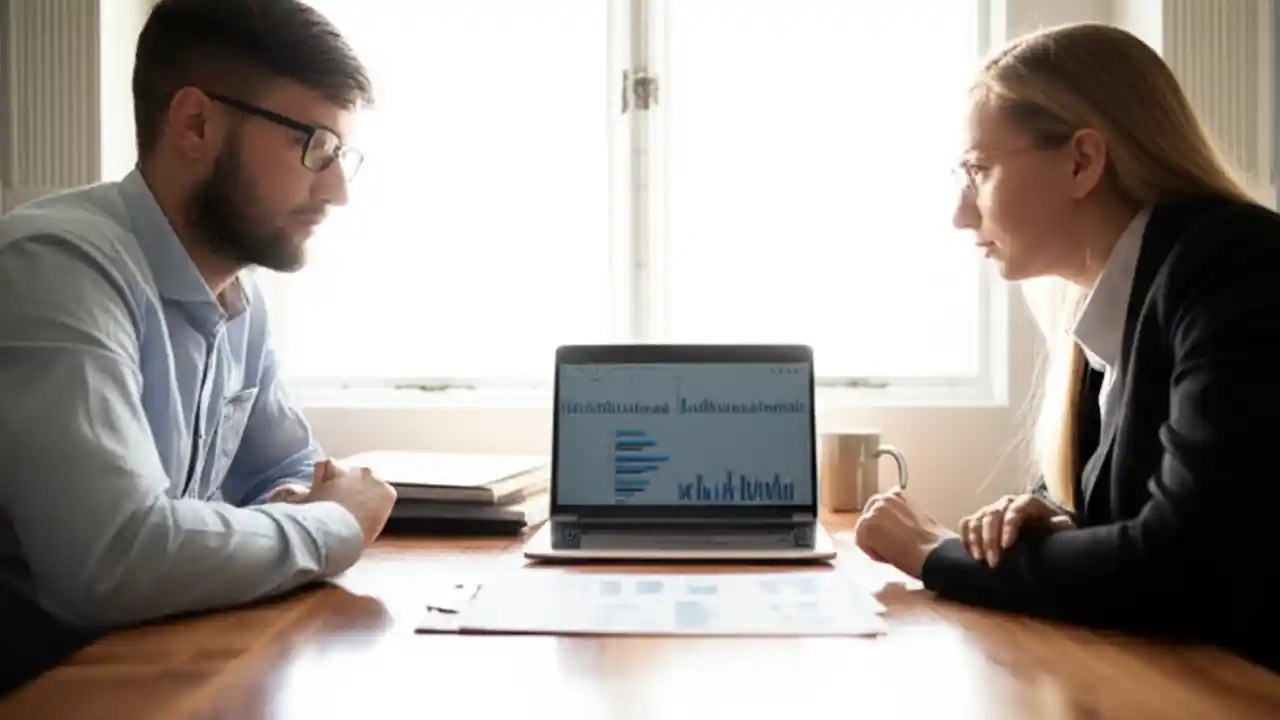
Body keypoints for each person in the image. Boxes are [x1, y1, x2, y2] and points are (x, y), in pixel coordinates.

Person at [854, 22, 1280, 671]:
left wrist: (937, 553)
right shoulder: (1110, 304)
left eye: (978, 170)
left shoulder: (1232, 269)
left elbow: (1181, 562)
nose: (961, 214)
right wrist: (1066, 522)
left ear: (1082, 161)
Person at [0, 0, 396, 691]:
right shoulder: (55, 267)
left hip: (141, 668)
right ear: (195, 123)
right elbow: (115, 560)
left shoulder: (239, 300)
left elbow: (289, 468)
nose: (336, 192)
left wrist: (297, 510)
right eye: (314, 146)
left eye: (340, 156)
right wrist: (335, 527)